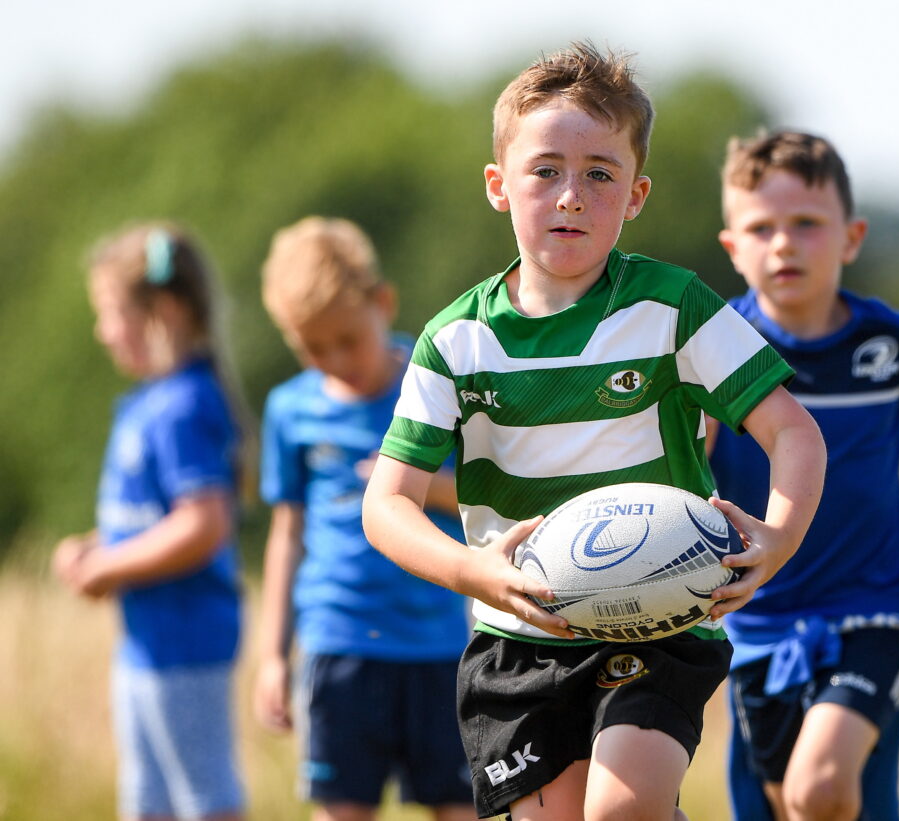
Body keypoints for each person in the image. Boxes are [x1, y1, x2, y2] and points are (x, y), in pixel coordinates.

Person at [361, 42, 827, 821]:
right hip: (518, 637)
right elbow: (387, 506)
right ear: (498, 186)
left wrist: (778, 537)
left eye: (600, 174)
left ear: (636, 194)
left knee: (620, 810)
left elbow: (795, 433)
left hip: (657, 616)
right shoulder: (455, 341)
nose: (571, 195)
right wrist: (476, 571)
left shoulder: (672, 307)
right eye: (545, 170)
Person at [708, 131, 899, 821]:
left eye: (806, 224)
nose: (784, 243)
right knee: (791, 806)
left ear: (852, 236)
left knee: (819, 788)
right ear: (733, 247)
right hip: (756, 623)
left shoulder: (890, 343)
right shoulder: (714, 349)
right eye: (761, 228)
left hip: (878, 606)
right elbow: (683, 466)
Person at [254, 216, 476, 821]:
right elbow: (287, 536)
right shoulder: (290, 410)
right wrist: (274, 654)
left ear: (383, 303)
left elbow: (487, 501)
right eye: (310, 347)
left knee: (461, 807)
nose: (332, 360)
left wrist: (415, 488)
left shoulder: (433, 385)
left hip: (439, 642)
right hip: (338, 641)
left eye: (347, 340)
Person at [52, 223, 247, 821]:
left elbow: (202, 524)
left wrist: (107, 566)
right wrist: (94, 546)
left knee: (203, 798)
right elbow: (153, 519)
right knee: (148, 800)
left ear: (161, 312)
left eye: (110, 313)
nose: (101, 331)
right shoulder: (148, 403)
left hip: (186, 643)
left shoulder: (183, 406)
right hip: (144, 645)